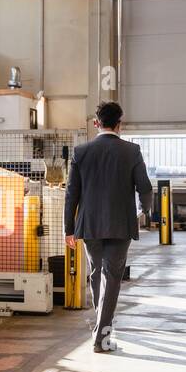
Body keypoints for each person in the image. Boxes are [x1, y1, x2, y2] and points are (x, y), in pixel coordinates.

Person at [65, 101, 153, 353]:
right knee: (111, 277)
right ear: (119, 124)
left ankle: (102, 326)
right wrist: (144, 210)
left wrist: (67, 229)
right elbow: (145, 187)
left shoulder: (81, 152)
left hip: (89, 224)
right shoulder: (132, 151)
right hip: (119, 224)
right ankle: (102, 336)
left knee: (96, 274)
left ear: (96, 123)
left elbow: (72, 194)